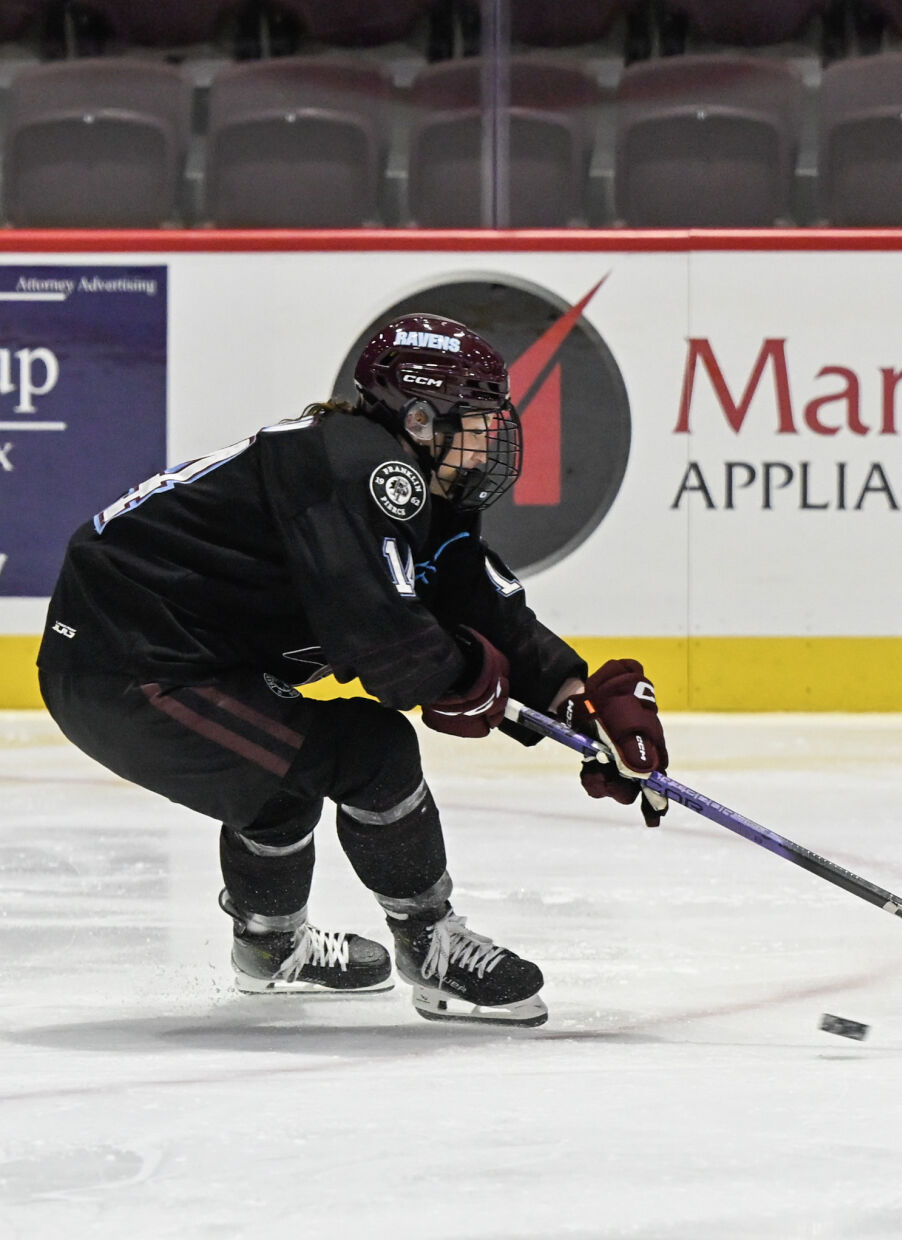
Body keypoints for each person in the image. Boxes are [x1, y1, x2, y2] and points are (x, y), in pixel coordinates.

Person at [36, 313, 669, 1027]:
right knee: (365, 751)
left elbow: (477, 602)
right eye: (480, 418)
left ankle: (271, 949)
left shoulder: (401, 479)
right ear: (422, 417)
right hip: (127, 667)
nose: (494, 436)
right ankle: (431, 943)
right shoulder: (362, 468)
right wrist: (467, 677)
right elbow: (387, 646)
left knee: (283, 775)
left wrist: (578, 699)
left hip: (174, 658)